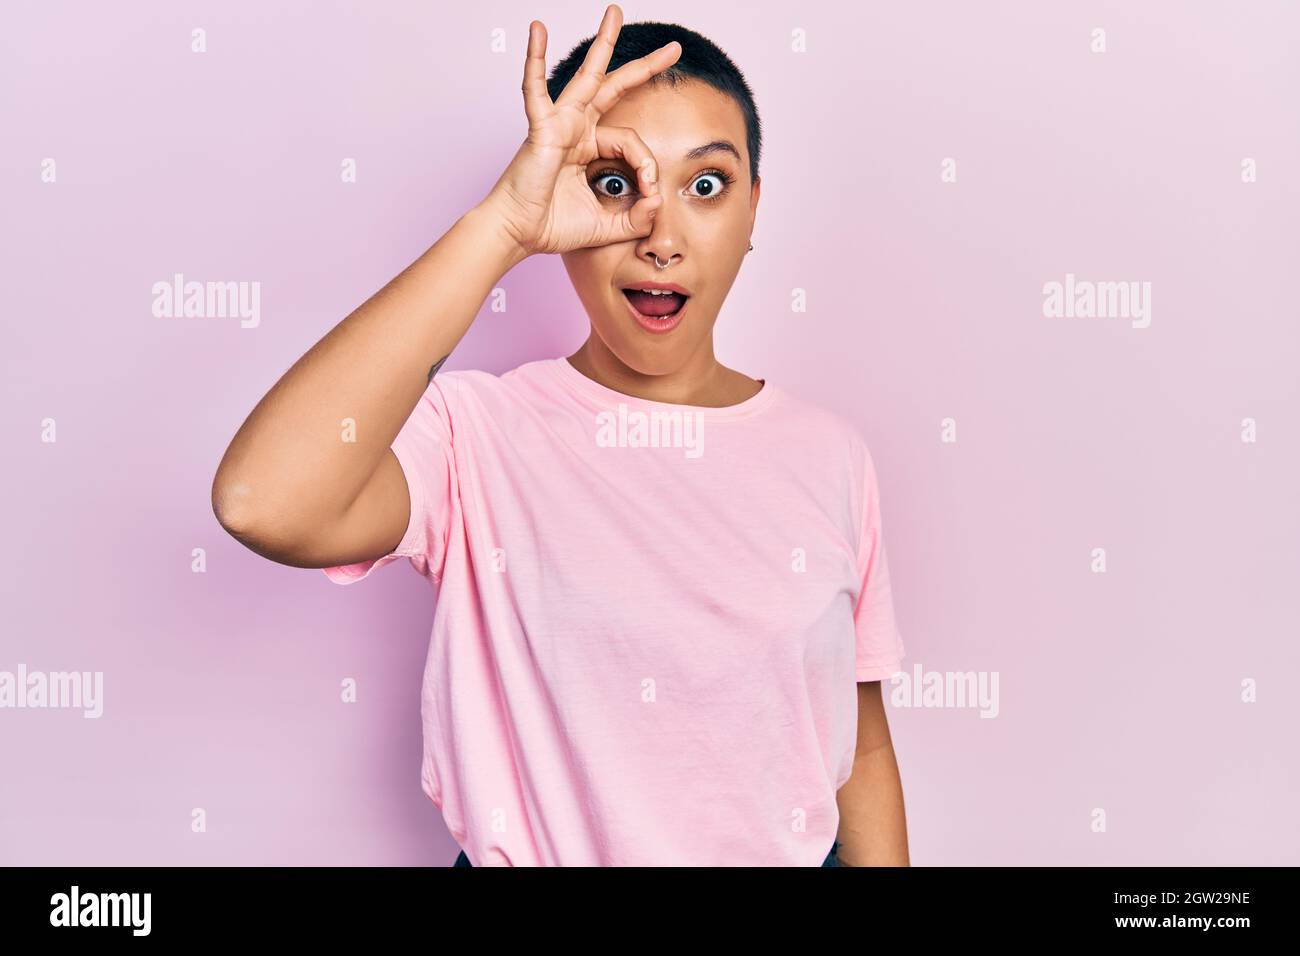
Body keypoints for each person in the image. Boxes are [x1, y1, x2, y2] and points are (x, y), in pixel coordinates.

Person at [211, 4, 909, 867]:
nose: (660, 238)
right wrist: (501, 226)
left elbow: (859, 745)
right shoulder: (477, 434)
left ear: (754, 208)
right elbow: (261, 502)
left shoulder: (832, 456)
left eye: (706, 185)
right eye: (618, 183)